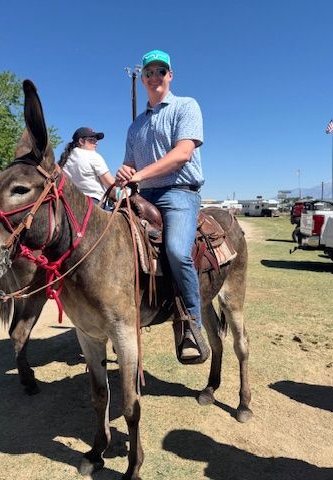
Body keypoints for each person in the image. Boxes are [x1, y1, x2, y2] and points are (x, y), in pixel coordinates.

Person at [116, 49, 207, 363]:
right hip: (143, 196)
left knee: (177, 251)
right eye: (149, 72)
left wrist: (139, 174)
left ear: (170, 76)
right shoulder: (135, 126)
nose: (154, 77)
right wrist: (125, 171)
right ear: (142, 79)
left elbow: (182, 154)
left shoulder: (186, 106)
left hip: (179, 193)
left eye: (160, 71)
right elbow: (130, 164)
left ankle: (191, 323)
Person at [59, 127, 116, 208]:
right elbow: (110, 184)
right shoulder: (93, 156)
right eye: (92, 140)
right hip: (94, 206)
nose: (96, 143)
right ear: (81, 141)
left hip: (69, 205)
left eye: (96, 140)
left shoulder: (64, 161)